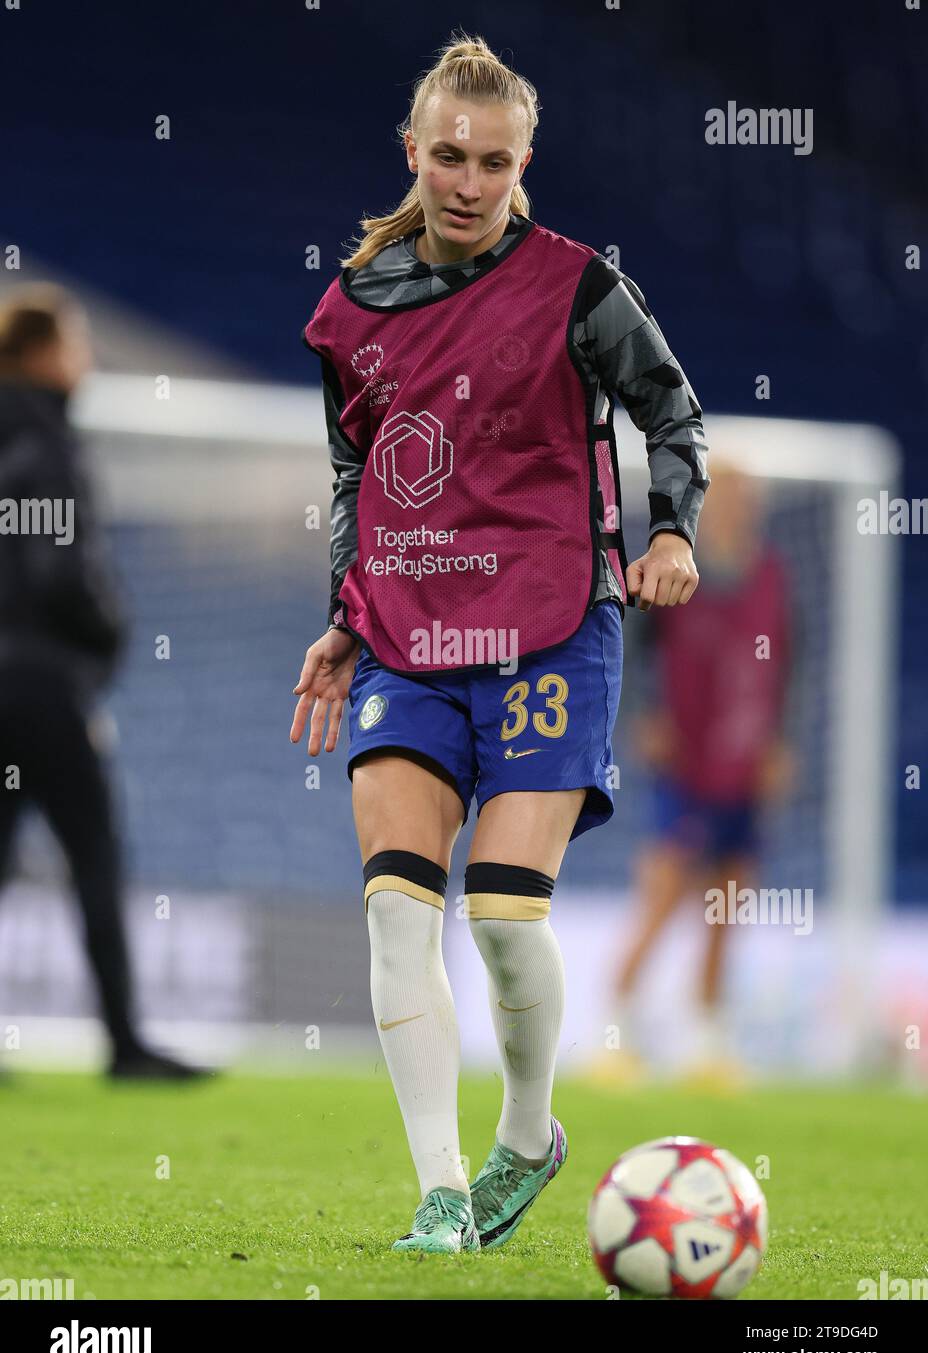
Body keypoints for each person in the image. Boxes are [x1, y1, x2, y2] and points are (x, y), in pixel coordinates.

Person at [291, 33, 708, 1253]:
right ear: (412, 154)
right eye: (448, 157)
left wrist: (672, 530)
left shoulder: (577, 286)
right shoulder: (347, 312)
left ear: (525, 164)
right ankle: (438, 1190)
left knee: (503, 921)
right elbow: (353, 470)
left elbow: (669, 406)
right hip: (407, 638)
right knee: (393, 914)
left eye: (493, 162)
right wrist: (340, 610)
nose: (467, 182)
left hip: (549, 630)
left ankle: (527, 1133)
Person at [0, 284, 213, 1080]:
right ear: (42, 354)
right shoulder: (48, 445)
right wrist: (108, 634)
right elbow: (59, 571)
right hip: (43, 682)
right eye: (75, 342)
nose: (84, 357)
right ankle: (124, 1043)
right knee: (92, 850)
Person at [592, 461, 794, 1092]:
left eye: (746, 493)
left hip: (742, 765)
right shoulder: (676, 572)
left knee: (727, 904)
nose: (737, 504)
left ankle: (707, 1043)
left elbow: (790, 664)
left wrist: (780, 742)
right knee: (664, 896)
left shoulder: (772, 579)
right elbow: (636, 645)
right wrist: (648, 716)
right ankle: (616, 1035)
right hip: (685, 764)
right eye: (727, 492)